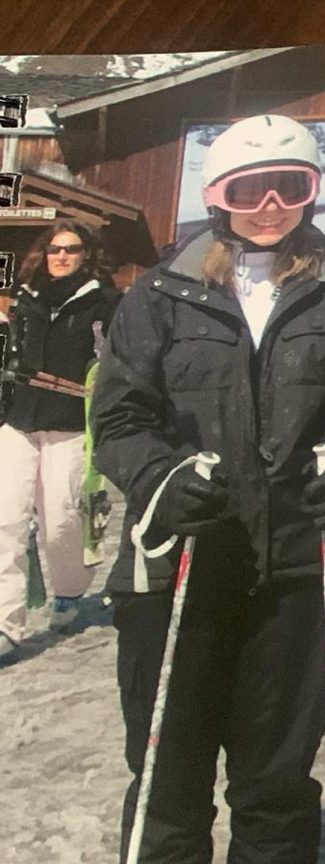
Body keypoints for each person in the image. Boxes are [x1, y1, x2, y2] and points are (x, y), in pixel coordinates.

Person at [91, 114, 325, 861]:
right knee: (169, 780)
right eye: (251, 190)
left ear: (312, 192)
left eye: (290, 186)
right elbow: (118, 416)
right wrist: (160, 479)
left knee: (276, 784)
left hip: (293, 566)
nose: (271, 205)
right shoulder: (161, 292)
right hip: (179, 564)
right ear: (218, 196)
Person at [0, 219, 119, 658]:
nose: (61, 256)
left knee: (61, 522)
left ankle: (69, 592)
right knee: (5, 519)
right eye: (54, 249)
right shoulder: (26, 299)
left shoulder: (104, 302)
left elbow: (119, 360)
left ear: (85, 255)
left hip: (71, 423)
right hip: (19, 420)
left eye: (71, 249)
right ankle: (5, 623)